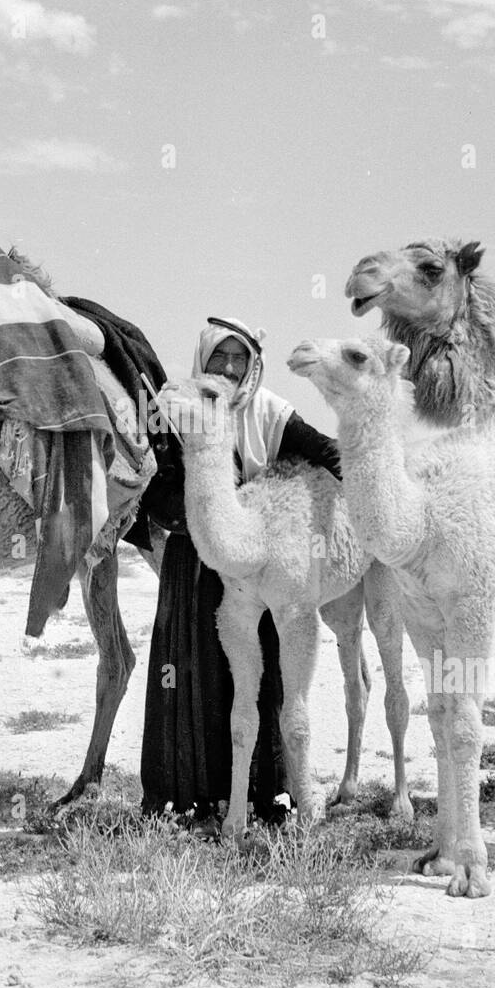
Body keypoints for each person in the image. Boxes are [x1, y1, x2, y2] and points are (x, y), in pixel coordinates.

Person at [140, 316, 341, 823]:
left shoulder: (272, 413)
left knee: (267, 677)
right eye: (218, 359)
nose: (229, 369)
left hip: (265, 554)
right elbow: (152, 485)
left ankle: (267, 795)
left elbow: (326, 452)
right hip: (196, 557)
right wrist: (196, 514)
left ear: (253, 364)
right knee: (188, 676)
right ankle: (186, 797)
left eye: (239, 358)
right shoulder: (178, 417)